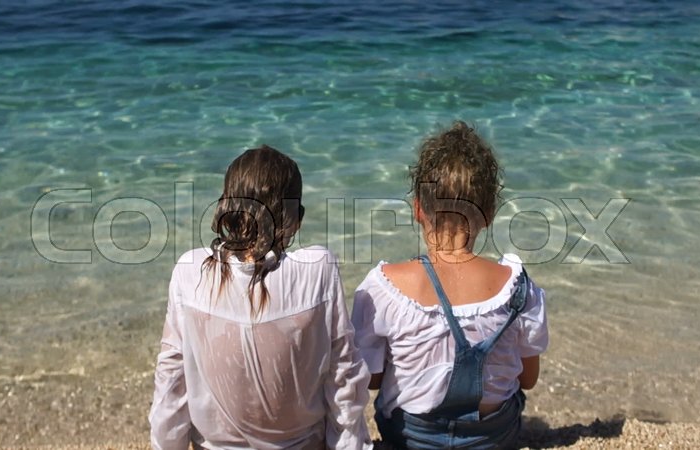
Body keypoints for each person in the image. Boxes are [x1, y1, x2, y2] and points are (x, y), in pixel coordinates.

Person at [149, 145, 372, 450]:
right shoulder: (317, 269)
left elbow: (171, 381)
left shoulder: (190, 273)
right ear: (296, 218)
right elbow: (343, 377)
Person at [351, 122, 549, 449]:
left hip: (410, 439)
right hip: (494, 438)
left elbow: (370, 380)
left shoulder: (383, 288)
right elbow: (528, 379)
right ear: (489, 213)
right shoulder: (518, 288)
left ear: (417, 208)